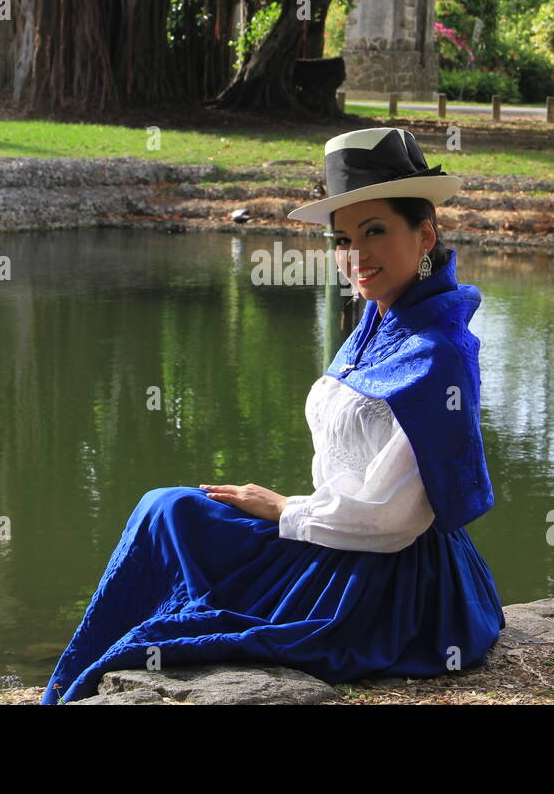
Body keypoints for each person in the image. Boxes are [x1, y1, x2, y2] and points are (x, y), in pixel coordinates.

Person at [39, 127, 505, 704]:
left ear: (425, 234)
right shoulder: (380, 323)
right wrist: (295, 513)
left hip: (393, 585)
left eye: (375, 231)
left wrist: (285, 509)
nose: (356, 256)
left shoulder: (438, 352)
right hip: (341, 535)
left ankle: (76, 691)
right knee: (173, 512)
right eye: (342, 240)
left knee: (173, 525)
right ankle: (71, 689)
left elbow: (395, 521)